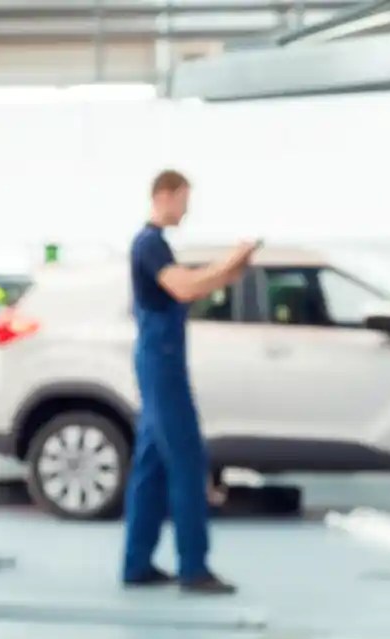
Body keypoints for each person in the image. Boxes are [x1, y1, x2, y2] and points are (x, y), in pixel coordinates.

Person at [122, 169, 260, 594]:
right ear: (164, 195)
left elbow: (194, 286)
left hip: (161, 362)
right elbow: (184, 289)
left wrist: (229, 270)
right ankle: (193, 567)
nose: (187, 208)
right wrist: (228, 263)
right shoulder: (149, 245)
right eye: (184, 198)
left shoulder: (156, 246)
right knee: (186, 460)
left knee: (150, 465)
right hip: (161, 367)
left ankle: (137, 564)